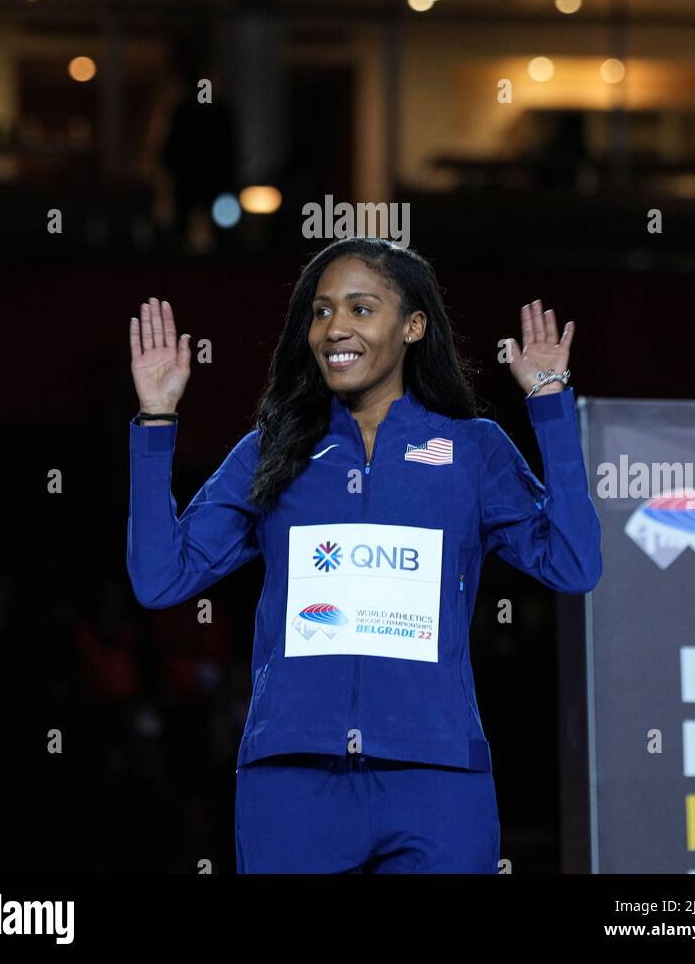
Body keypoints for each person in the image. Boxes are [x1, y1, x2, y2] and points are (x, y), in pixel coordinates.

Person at [126, 236, 602, 874]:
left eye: (360, 308)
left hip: (436, 780)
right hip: (292, 782)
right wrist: (157, 421)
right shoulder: (275, 451)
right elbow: (159, 579)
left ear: (412, 326)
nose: (334, 329)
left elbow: (575, 564)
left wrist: (549, 404)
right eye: (321, 312)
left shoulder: (473, 452)